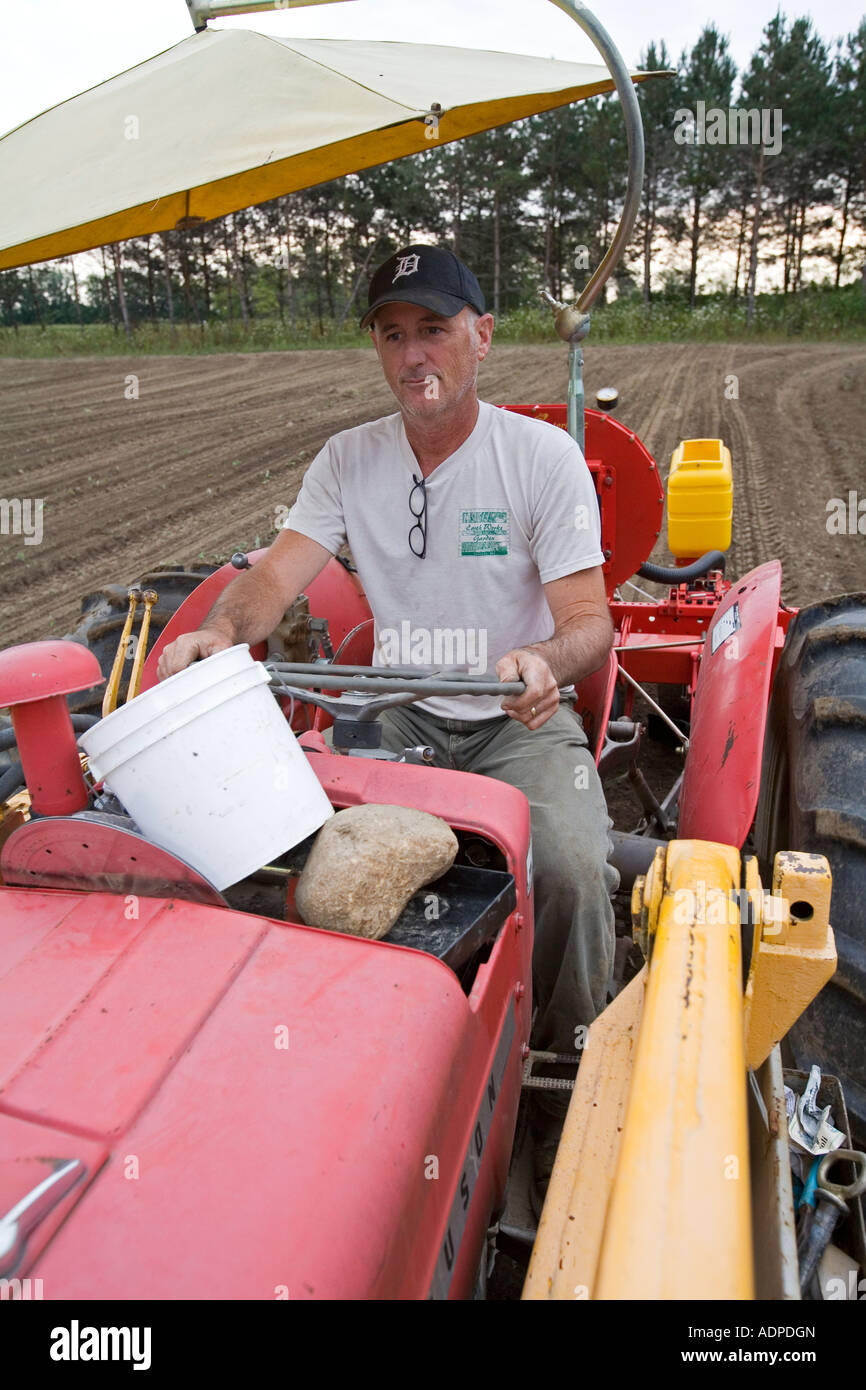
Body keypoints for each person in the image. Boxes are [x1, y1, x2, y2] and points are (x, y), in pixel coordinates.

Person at [158, 244, 618, 1111]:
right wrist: (220, 631)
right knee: (285, 844)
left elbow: (591, 624)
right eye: (393, 333)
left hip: (514, 719)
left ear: (480, 337)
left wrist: (541, 662)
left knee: (569, 868)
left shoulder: (541, 459)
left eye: (435, 331)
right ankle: (337, 1048)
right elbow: (275, 577)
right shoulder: (347, 461)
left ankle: (565, 1073)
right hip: (396, 713)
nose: (414, 355)